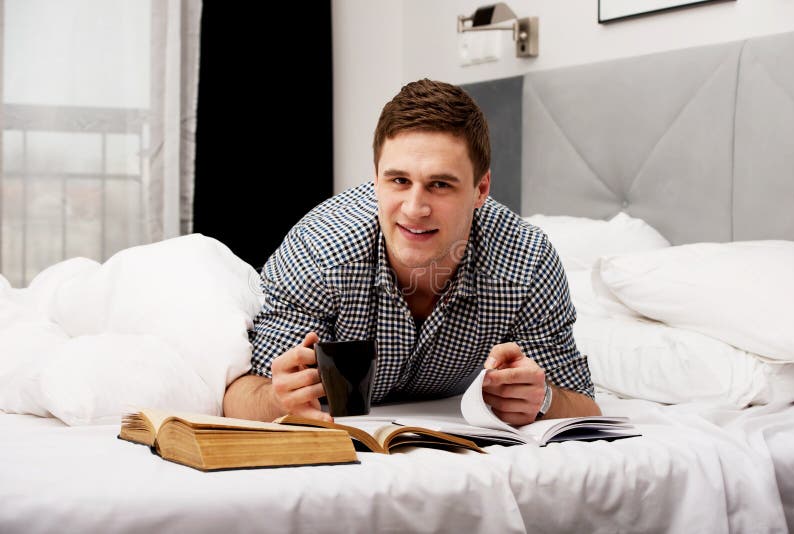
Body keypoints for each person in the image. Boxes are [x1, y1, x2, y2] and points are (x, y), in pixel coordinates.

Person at [223, 78, 601, 425]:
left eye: (440, 185)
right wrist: (277, 397)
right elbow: (240, 397)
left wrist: (542, 398)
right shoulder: (320, 250)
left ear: (481, 189)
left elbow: (584, 405)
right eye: (399, 180)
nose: (414, 208)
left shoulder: (527, 261)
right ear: (376, 179)